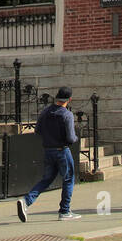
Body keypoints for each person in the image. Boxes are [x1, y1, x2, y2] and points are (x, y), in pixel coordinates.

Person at [16, 87, 80, 221]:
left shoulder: (45, 112)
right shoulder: (67, 114)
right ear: (69, 99)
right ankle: (65, 211)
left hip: (48, 150)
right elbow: (70, 138)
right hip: (62, 150)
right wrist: (75, 139)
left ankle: (26, 201)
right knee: (68, 179)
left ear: (57, 97)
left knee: (46, 179)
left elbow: (38, 130)